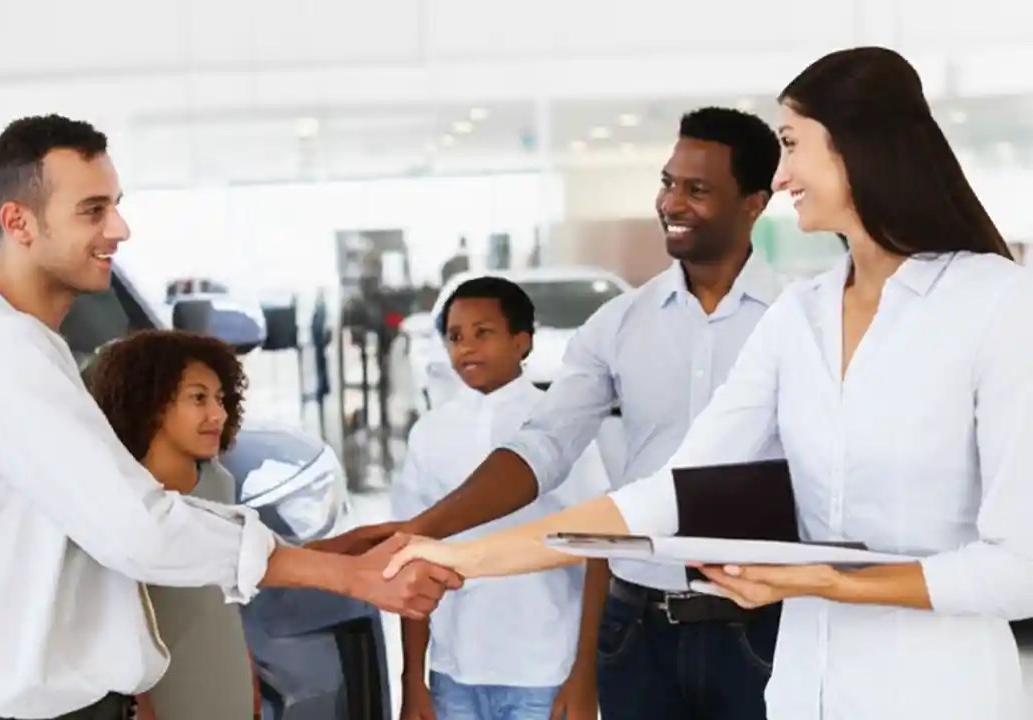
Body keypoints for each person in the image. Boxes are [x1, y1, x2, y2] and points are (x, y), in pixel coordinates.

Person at [382, 47, 1033, 720]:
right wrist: (467, 557)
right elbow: (672, 493)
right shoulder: (799, 317)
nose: (780, 177)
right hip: (803, 694)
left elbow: (1021, 571)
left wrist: (829, 582)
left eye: (790, 145)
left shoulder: (995, 306)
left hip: (941, 696)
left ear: (854, 145)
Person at [0, 114, 460, 720]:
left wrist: (326, 554)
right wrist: (349, 578)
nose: (118, 229)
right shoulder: (1, 359)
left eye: (115, 205)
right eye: (92, 211)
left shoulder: (21, 349)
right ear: (18, 221)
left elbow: (103, 529)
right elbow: (139, 530)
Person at [324, 106, 788, 720]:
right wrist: (421, 530)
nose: (671, 203)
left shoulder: (798, 319)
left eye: (697, 189)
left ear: (754, 202)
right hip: (638, 628)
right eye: (668, 182)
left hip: (761, 627)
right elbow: (542, 447)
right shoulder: (620, 323)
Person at [394, 277, 609, 720]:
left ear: (521, 341)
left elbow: (599, 548)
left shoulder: (559, 427)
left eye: (483, 333)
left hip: (544, 671)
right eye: (455, 336)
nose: (467, 347)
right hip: (455, 673)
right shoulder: (430, 433)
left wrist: (584, 673)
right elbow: (409, 561)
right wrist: (413, 679)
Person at [86, 329, 260, 720]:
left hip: (225, 681)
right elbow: (117, 621)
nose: (218, 413)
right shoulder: (117, 502)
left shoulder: (217, 480)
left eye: (220, 398)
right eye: (198, 398)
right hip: (166, 695)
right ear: (150, 404)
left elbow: (223, 600)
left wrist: (248, 677)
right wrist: (139, 707)